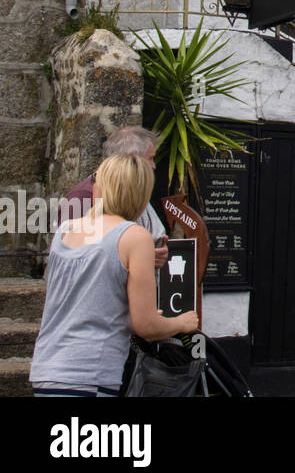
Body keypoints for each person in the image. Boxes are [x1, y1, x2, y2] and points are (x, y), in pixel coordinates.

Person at [30, 153, 199, 396]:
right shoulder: (134, 236)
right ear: (141, 193)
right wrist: (182, 323)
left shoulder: (66, 230)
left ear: (101, 187)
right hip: (90, 373)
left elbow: (77, 305)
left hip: (48, 369)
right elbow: (146, 326)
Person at [59, 126, 169, 269]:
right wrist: (137, 256)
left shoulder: (133, 193)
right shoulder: (81, 198)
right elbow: (70, 262)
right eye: (150, 158)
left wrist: (153, 254)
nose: (153, 166)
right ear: (131, 158)